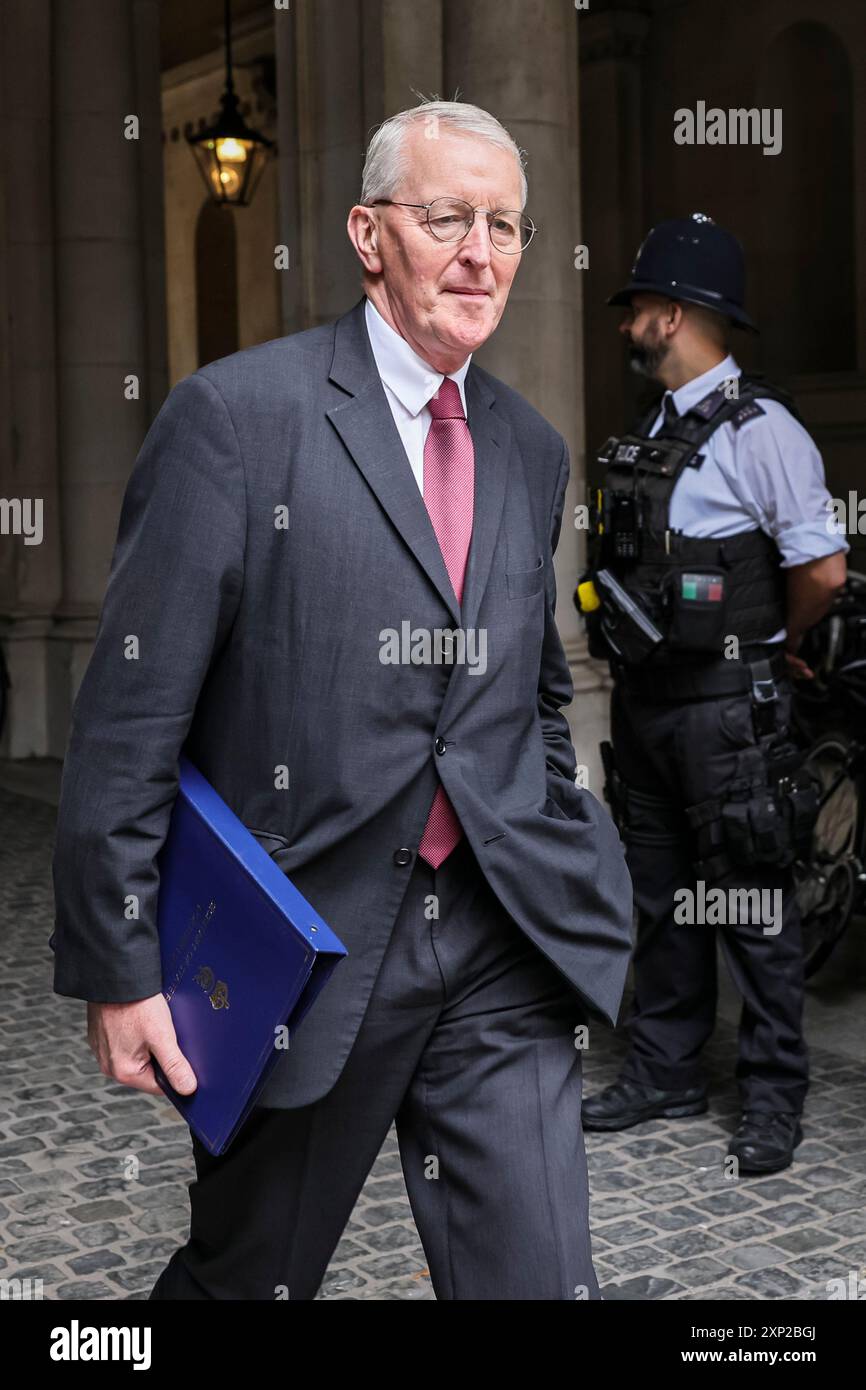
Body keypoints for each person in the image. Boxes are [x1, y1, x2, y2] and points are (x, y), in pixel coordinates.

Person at [49, 101, 633, 1300]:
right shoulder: (237, 420)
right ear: (368, 235)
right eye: (446, 217)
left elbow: (523, 691)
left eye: (507, 225)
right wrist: (121, 965)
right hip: (304, 951)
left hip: (494, 935)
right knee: (244, 1278)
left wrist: (555, 836)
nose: (481, 252)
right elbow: (129, 715)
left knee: (537, 1279)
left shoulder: (528, 447)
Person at [578, 213, 848, 1174]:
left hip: (730, 710)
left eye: (641, 305)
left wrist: (780, 645)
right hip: (649, 705)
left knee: (751, 903)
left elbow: (820, 567)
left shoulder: (763, 430)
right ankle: (666, 1068)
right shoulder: (657, 428)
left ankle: (774, 1094)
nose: (627, 325)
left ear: (680, 313)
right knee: (663, 898)